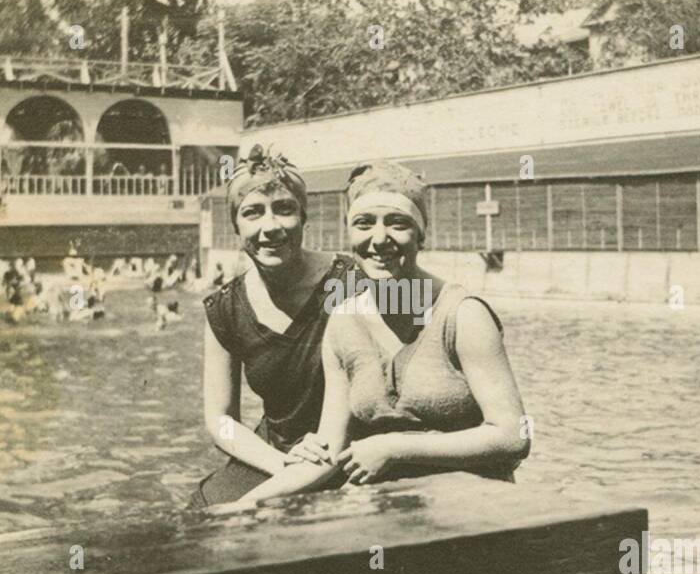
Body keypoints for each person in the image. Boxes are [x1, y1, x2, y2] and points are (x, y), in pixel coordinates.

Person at [228, 162, 529, 505]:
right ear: (350, 234)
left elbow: (514, 435)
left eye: (397, 223)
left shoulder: (462, 314)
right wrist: (246, 505)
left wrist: (394, 447)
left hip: (470, 507)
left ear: (421, 233)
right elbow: (330, 452)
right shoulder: (343, 320)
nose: (379, 239)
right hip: (384, 508)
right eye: (364, 224)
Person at [193, 145, 356, 508]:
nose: (271, 227)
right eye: (253, 213)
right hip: (278, 451)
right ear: (236, 225)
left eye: (284, 209)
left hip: (350, 446)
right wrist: (281, 462)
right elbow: (220, 419)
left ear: (303, 217)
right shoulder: (224, 308)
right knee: (204, 517)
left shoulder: (351, 282)